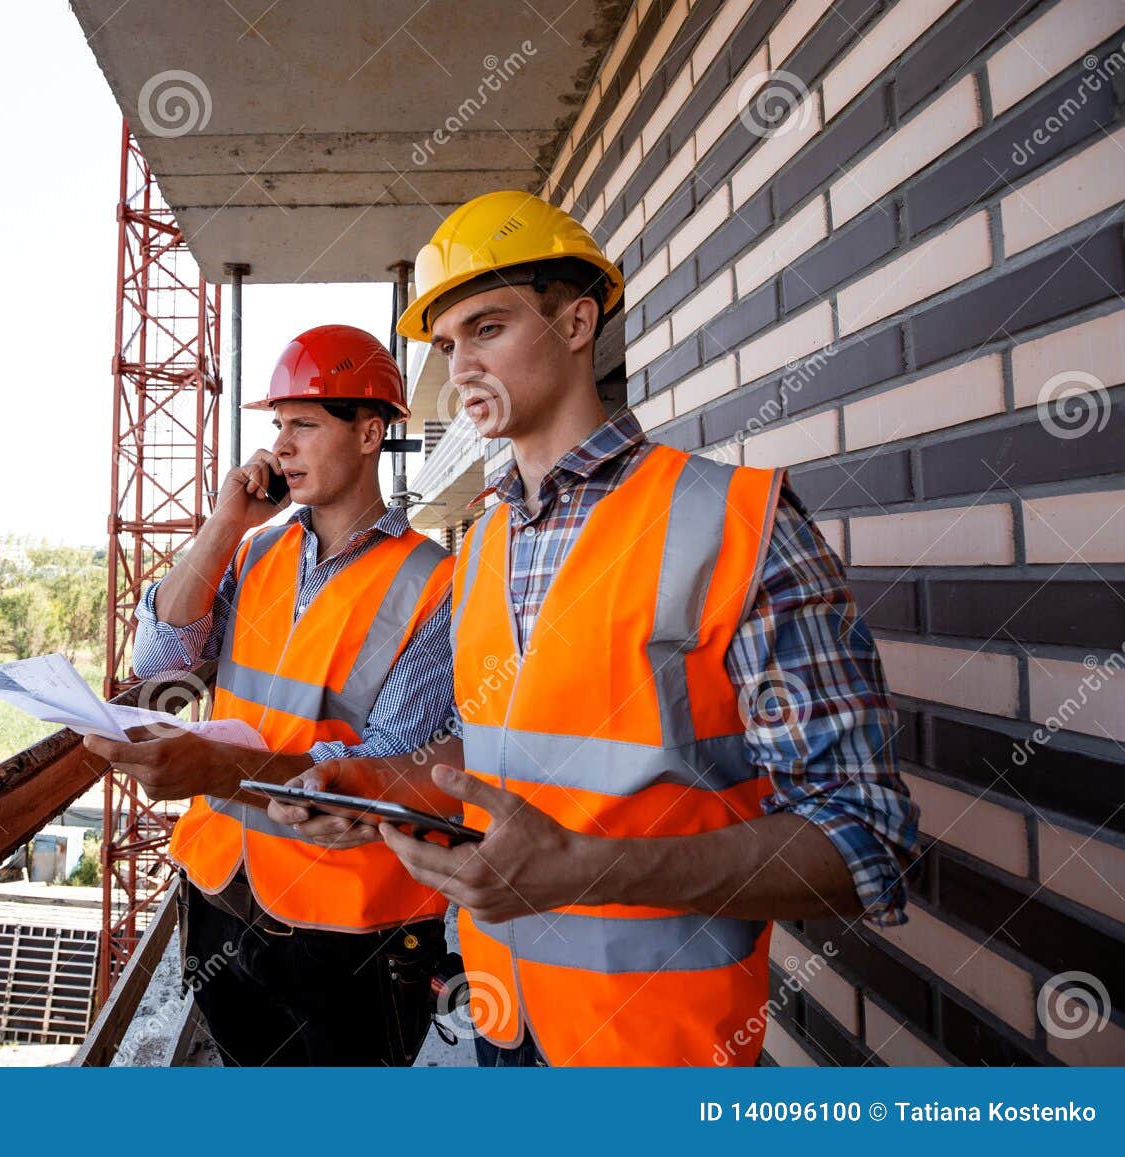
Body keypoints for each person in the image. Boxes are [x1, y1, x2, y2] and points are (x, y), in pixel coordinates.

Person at [269, 191, 919, 1067]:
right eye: (449, 342)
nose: (461, 367)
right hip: (505, 1027)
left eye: (488, 327)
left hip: (662, 1050)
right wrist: (388, 784)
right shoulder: (486, 539)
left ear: (577, 323)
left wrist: (590, 869)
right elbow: (507, 748)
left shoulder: (732, 519)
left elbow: (864, 834)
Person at [83, 324, 456, 1066]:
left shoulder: (433, 582)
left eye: (305, 425)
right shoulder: (252, 550)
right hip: (222, 898)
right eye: (278, 425)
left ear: (370, 432)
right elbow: (160, 665)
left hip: (347, 932)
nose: (280, 446)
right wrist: (225, 524)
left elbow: (375, 775)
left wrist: (213, 769)